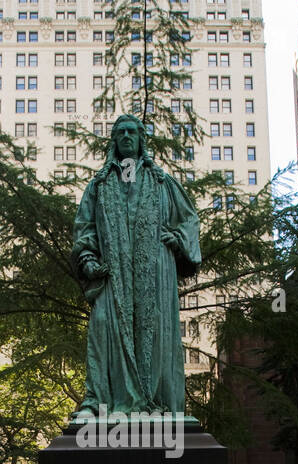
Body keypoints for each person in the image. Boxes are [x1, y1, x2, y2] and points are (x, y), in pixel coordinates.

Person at [72, 113, 202, 416]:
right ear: (114, 140)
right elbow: (84, 228)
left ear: (141, 139)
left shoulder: (161, 182)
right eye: (121, 132)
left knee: (154, 331)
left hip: (155, 271)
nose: (127, 136)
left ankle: (158, 404)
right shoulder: (100, 185)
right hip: (112, 273)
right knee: (104, 325)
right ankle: (100, 404)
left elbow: (189, 220)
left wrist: (178, 239)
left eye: (132, 132)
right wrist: (88, 258)